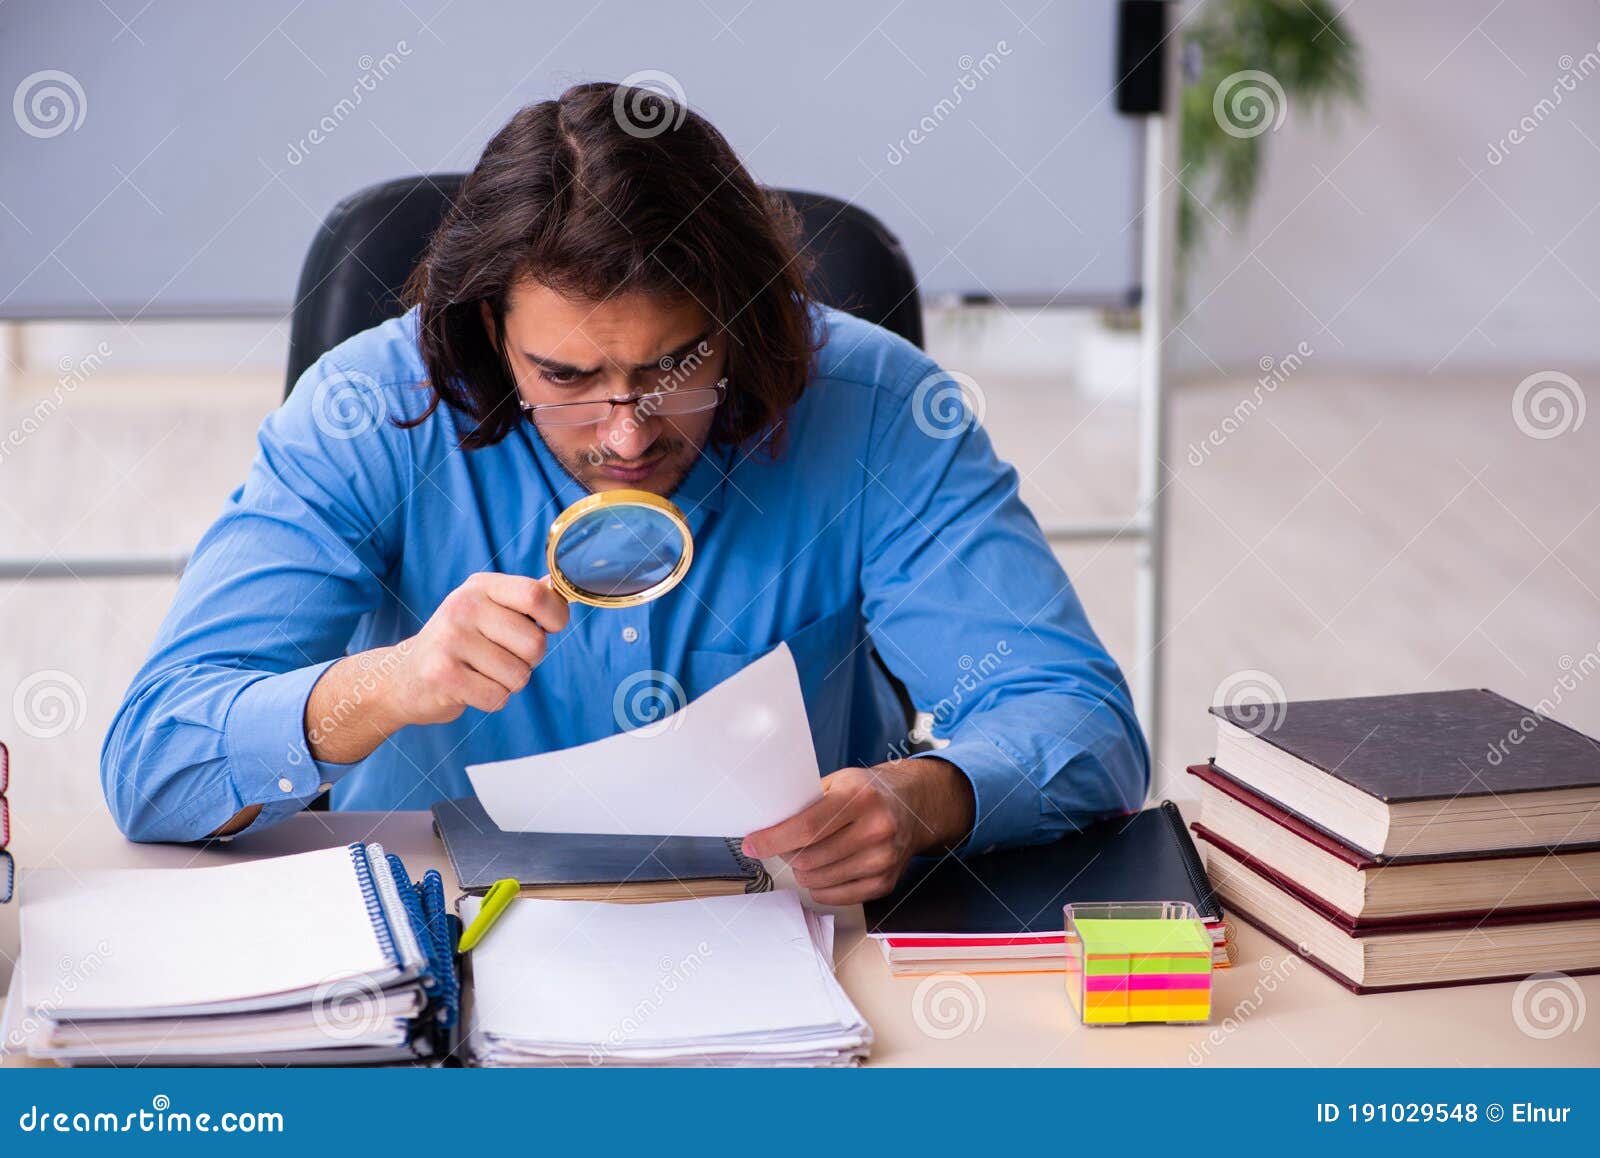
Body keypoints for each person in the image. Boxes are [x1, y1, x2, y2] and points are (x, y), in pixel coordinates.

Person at [101, 82, 1148, 903]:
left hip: (788, 943)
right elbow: (153, 763)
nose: (627, 431)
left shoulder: (877, 405)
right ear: (485, 339)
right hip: (450, 944)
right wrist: (388, 685)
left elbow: (1081, 724)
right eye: (565, 379)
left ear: (746, 315)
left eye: (676, 366)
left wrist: (924, 797)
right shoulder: (366, 411)